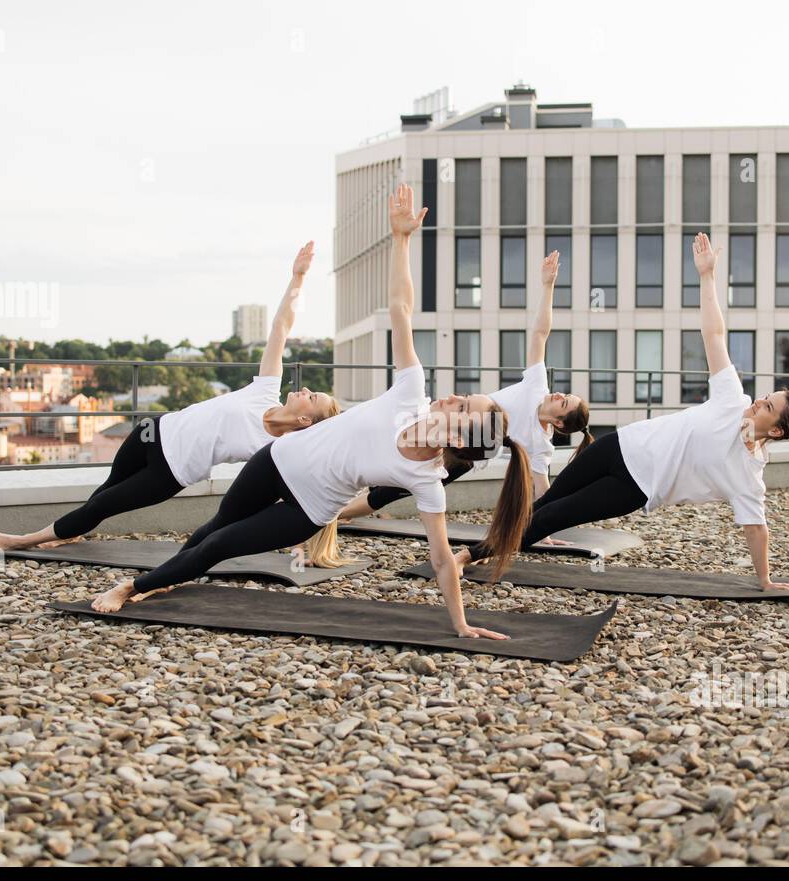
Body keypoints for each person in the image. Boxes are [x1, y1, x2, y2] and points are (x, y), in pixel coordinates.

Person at [88, 185, 535, 641]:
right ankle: (163, 579)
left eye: (462, 408)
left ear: (459, 440)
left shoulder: (426, 480)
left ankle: (132, 587)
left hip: (308, 506)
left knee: (221, 544)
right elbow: (401, 308)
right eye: (463, 396)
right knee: (215, 526)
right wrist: (401, 241)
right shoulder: (410, 392)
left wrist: (460, 623)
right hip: (275, 462)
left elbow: (441, 559)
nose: (453, 397)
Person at [460, 233, 789, 593]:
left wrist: (764, 580)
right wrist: (707, 276)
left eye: (768, 406)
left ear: (776, 431)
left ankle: (468, 556)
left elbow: (756, 528)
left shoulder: (747, 474)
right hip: (618, 445)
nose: (758, 401)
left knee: (553, 517)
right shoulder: (732, 398)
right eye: (765, 396)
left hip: (636, 486)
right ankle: (492, 544)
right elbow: (714, 334)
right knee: (546, 502)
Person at [0, 242, 339, 555]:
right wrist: (298, 278)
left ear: (305, 420)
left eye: (313, 397)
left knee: (103, 505)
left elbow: (290, 482)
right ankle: (68, 532)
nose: (305, 390)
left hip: (170, 471)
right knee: (106, 491)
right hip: (152, 430)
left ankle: (22, 541)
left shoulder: (271, 448)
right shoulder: (264, 390)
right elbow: (280, 327)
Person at [338, 249, 592, 538]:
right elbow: (540, 334)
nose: (559, 394)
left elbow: (541, 488)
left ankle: (337, 516)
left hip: (463, 453)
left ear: (559, 422)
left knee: (390, 491)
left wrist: (543, 533)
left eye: (565, 402)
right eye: (565, 394)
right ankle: (334, 498)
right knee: (380, 450)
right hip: (447, 424)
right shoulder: (536, 385)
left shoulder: (540, 443)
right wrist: (548, 286)